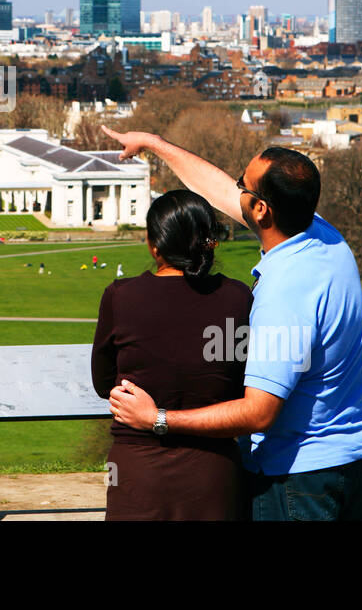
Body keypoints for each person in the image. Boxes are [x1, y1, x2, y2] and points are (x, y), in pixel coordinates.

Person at [102, 128, 362, 522]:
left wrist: (157, 419)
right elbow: (219, 190)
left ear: (263, 210)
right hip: (356, 463)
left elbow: (259, 413)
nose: (237, 192)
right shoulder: (322, 235)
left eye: (244, 186)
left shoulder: (282, 293)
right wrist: (155, 145)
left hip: (300, 480)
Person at [92, 190, 252, 520]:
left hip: (138, 470)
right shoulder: (237, 298)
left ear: (154, 245)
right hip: (215, 470)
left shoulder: (121, 297)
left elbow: (104, 382)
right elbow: (242, 384)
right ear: (209, 242)